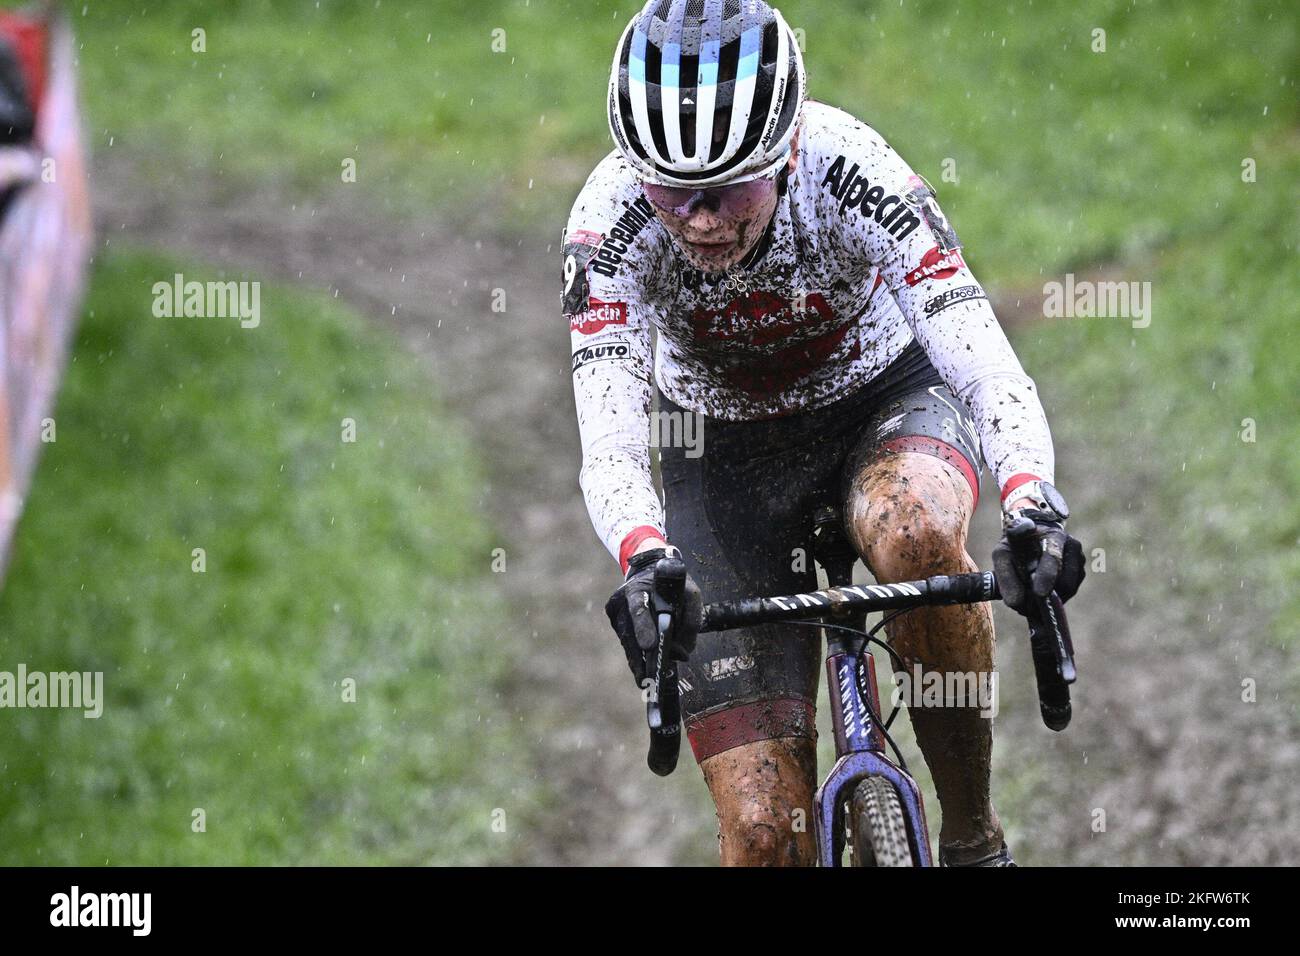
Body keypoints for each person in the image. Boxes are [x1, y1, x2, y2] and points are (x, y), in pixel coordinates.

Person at [563, 0, 1084, 866]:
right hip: (723, 455)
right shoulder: (610, 225)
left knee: (916, 529)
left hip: (880, 402)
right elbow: (610, 436)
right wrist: (643, 555)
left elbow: (981, 357)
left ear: (789, 151)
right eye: (670, 191)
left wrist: (1032, 498)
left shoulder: (851, 167)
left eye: (727, 189)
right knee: (766, 835)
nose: (696, 218)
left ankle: (971, 838)